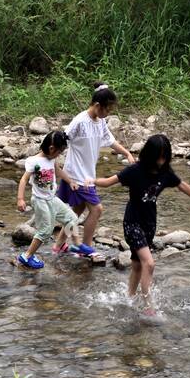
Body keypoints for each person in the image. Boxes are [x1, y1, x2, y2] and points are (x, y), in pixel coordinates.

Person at [96, 133, 190, 320]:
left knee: (136, 264)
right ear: (149, 154)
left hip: (149, 223)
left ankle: (129, 297)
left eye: (164, 156)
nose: (161, 160)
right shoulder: (134, 170)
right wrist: (89, 182)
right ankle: (148, 306)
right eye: (158, 156)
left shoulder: (165, 173)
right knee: (149, 263)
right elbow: (109, 182)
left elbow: (182, 185)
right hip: (132, 222)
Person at [59, 83, 135, 257]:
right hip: (76, 175)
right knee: (97, 209)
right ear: (97, 106)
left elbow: (110, 141)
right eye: (107, 110)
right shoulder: (79, 121)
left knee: (76, 211)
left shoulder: (100, 122)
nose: (108, 114)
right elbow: (62, 139)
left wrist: (126, 152)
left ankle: (59, 244)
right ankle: (86, 248)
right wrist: (49, 161)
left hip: (88, 174)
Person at [16, 130, 84, 270]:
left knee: (72, 218)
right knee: (46, 230)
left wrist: (70, 181)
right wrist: (20, 199)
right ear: (52, 148)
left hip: (52, 199)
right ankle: (26, 256)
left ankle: (61, 244)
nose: (59, 155)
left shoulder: (52, 159)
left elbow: (58, 171)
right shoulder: (34, 161)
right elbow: (24, 179)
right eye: (59, 152)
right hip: (40, 200)